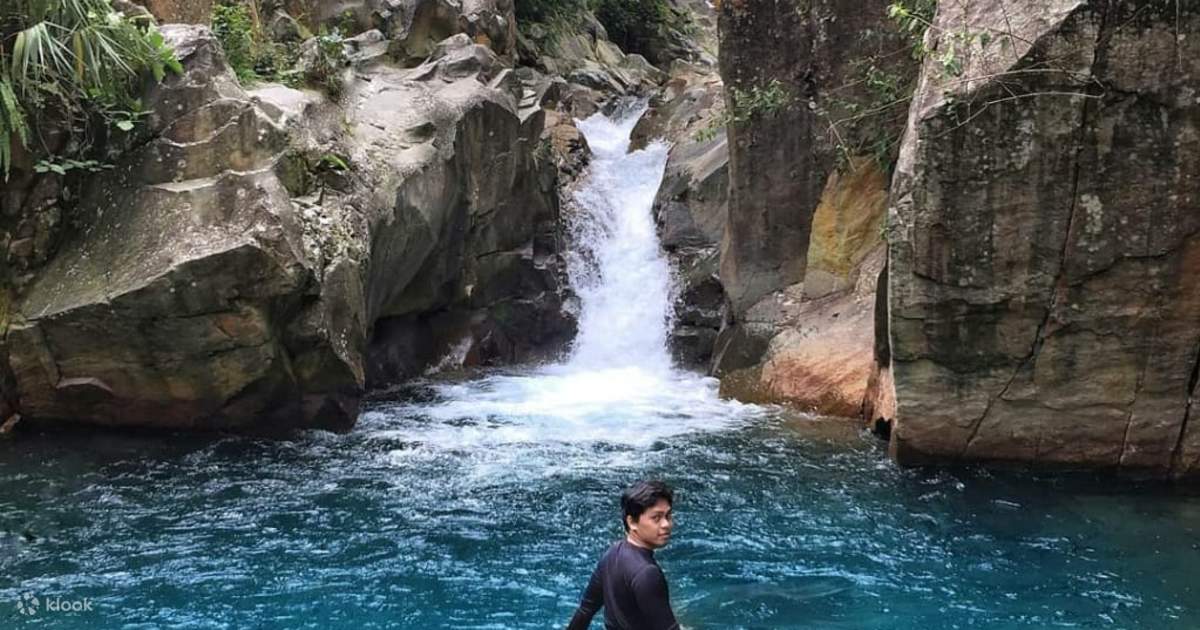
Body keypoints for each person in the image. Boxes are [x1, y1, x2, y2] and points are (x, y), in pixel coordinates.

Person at [566, 480, 680, 630]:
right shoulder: (647, 573)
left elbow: (585, 611)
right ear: (632, 522)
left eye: (668, 516)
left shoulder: (611, 554)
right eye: (656, 518)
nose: (666, 524)